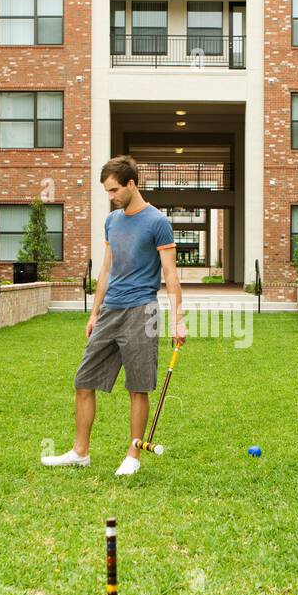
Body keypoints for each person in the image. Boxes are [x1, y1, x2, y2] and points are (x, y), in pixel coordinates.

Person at [42, 155, 185, 476]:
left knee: (138, 387)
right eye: (107, 191)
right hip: (110, 311)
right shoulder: (112, 221)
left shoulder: (157, 223)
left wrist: (178, 318)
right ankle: (80, 452)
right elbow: (106, 269)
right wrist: (94, 312)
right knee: (83, 381)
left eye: (114, 190)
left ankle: (133, 455)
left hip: (141, 311)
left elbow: (171, 275)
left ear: (132, 184)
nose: (111, 196)